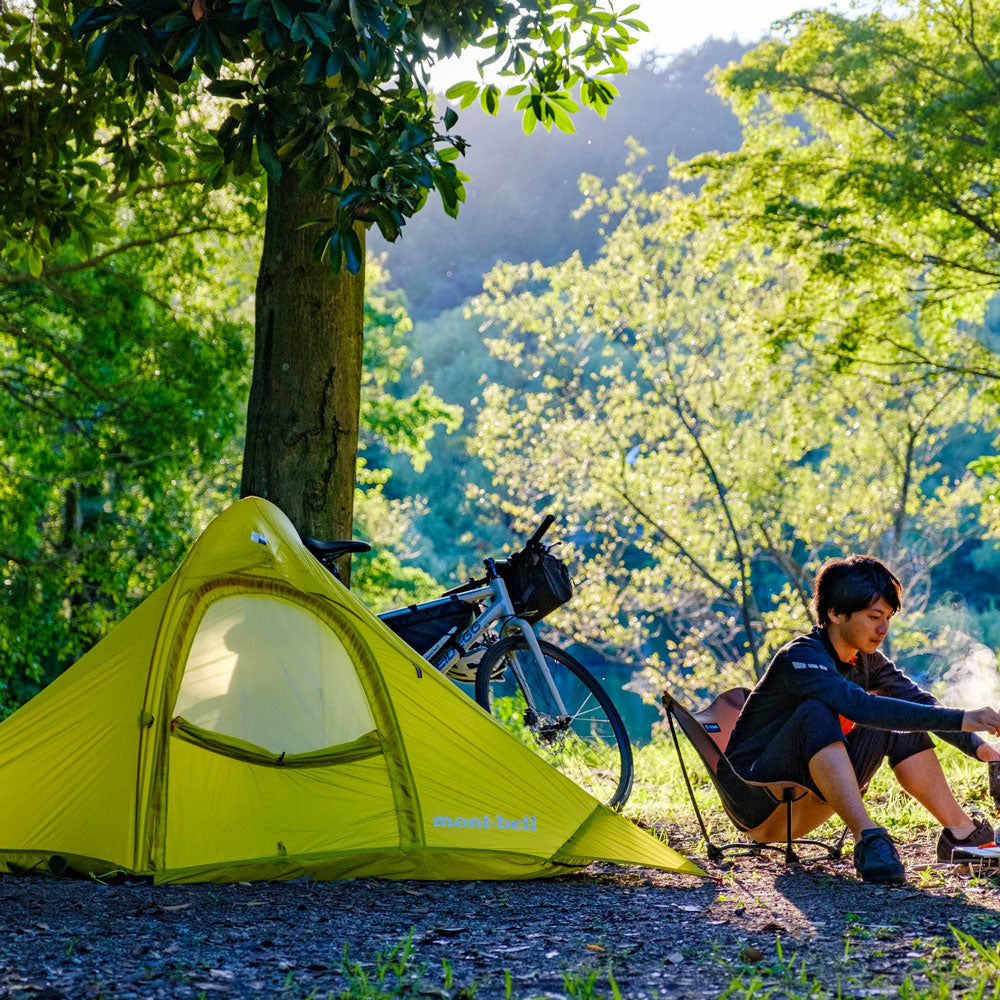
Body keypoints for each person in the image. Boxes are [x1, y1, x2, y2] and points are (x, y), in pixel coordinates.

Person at [726, 555, 1000, 884]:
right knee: (818, 711)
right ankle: (868, 838)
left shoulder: (867, 660)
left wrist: (983, 750)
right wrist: (963, 718)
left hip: (806, 800)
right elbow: (860, 707)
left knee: (900, 716)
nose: (882, 628)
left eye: (887, 617)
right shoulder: (801, 658)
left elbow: (915, 700)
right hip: (757, 801)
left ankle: (963, 835)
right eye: (874, 617)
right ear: (835, 613)